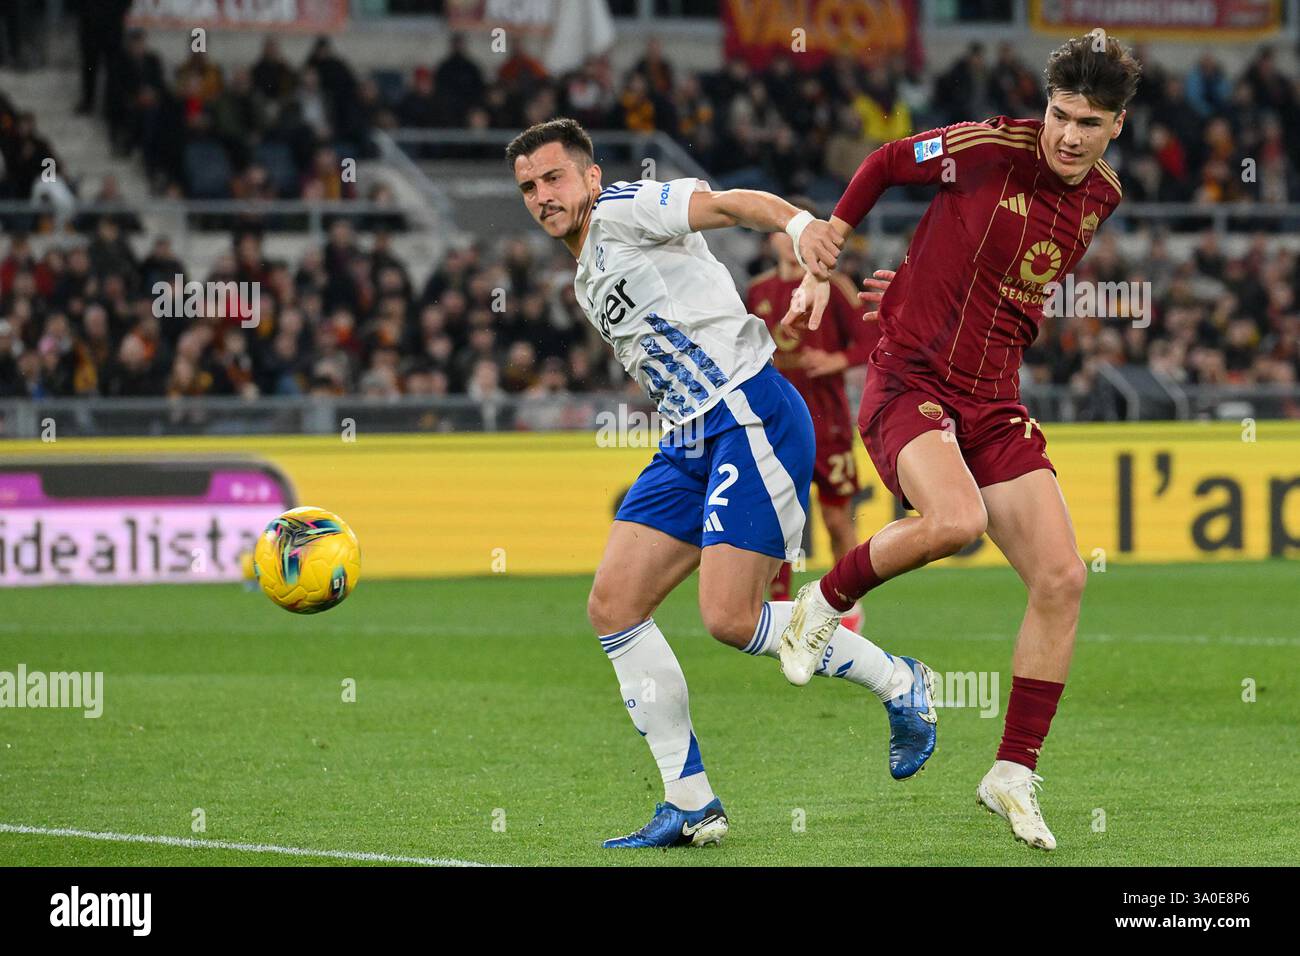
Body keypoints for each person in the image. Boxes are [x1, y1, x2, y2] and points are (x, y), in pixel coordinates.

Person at [507, 118, 937, 849]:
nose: (543, 196)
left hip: (747, 411)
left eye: (553, 178)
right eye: (528, 188)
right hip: (687, 437)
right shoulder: (584, 268)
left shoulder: (623, 208)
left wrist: (801, 225)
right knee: (613, 604)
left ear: (589, 177)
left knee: (731, 619)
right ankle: (690, 801)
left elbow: (732, 203)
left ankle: (900, 681)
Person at [780, 32, 1141, 851]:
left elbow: (1017, 284)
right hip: (910, 382)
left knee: (1061, 578)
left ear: (1116, 125)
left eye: (1088, 122)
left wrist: (919, 285)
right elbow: (881, 164)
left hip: (994, 399)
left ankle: (1011, 772)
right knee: (954, 521)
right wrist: (830, 241)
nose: (1067, 135)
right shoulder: (985, 147)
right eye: (1059, 114)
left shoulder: (1102, 197)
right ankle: (822, 604)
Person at [746, 199, 878, 633]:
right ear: (772, 241)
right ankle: (780, 608)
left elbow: (869, 340)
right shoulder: (758, 292)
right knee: (781, 518)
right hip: (777, 425)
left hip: (830, 423)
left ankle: (849, 606)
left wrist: (836, 360)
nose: (790, 244)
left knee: (837, 516)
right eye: (783, 235)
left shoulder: (834, 285)